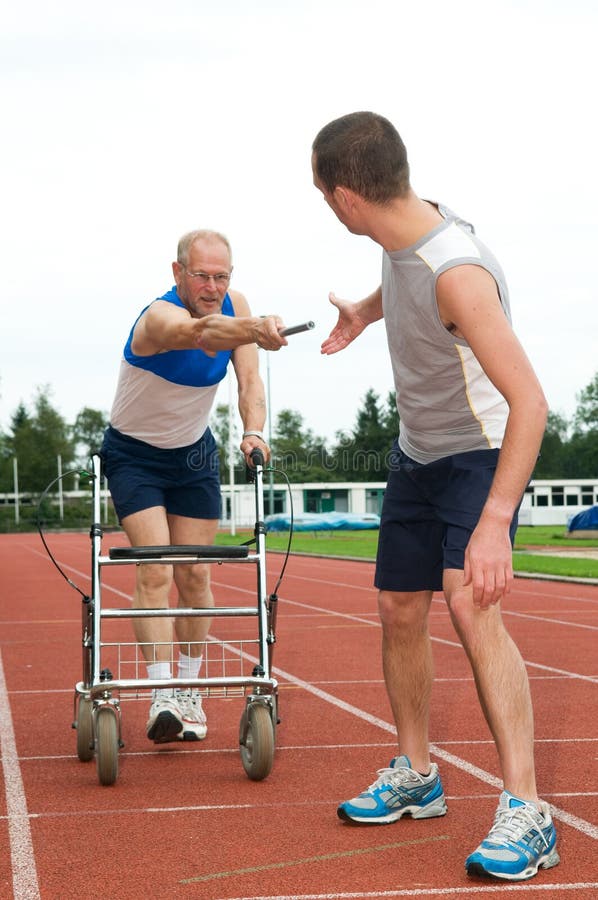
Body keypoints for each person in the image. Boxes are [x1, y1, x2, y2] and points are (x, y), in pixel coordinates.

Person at [312, 112, 558, 882]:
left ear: (347, 198)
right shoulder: (405, 230)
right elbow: (405, 275)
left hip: (482, 451)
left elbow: (533, 404)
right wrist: (364, 308)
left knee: (471, 602)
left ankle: (529, 812)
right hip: (419, 453)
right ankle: (418, 775)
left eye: (324, 194)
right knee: (399, 605)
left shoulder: (458, 270)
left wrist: (493, 523)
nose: (326, 205)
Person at [101, 229, 287, 744]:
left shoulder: (236, 304)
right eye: (201, 275)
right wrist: (252, 326)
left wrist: (252, 431)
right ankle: (161, 692)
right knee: (156, 568)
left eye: (221, 276)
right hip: (134, 454)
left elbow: (249, 382)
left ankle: (188, 690)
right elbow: (202, 334)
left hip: (194, 453)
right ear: (177, 272)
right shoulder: (158, 317)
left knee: (197, 575)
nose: (212, 285)